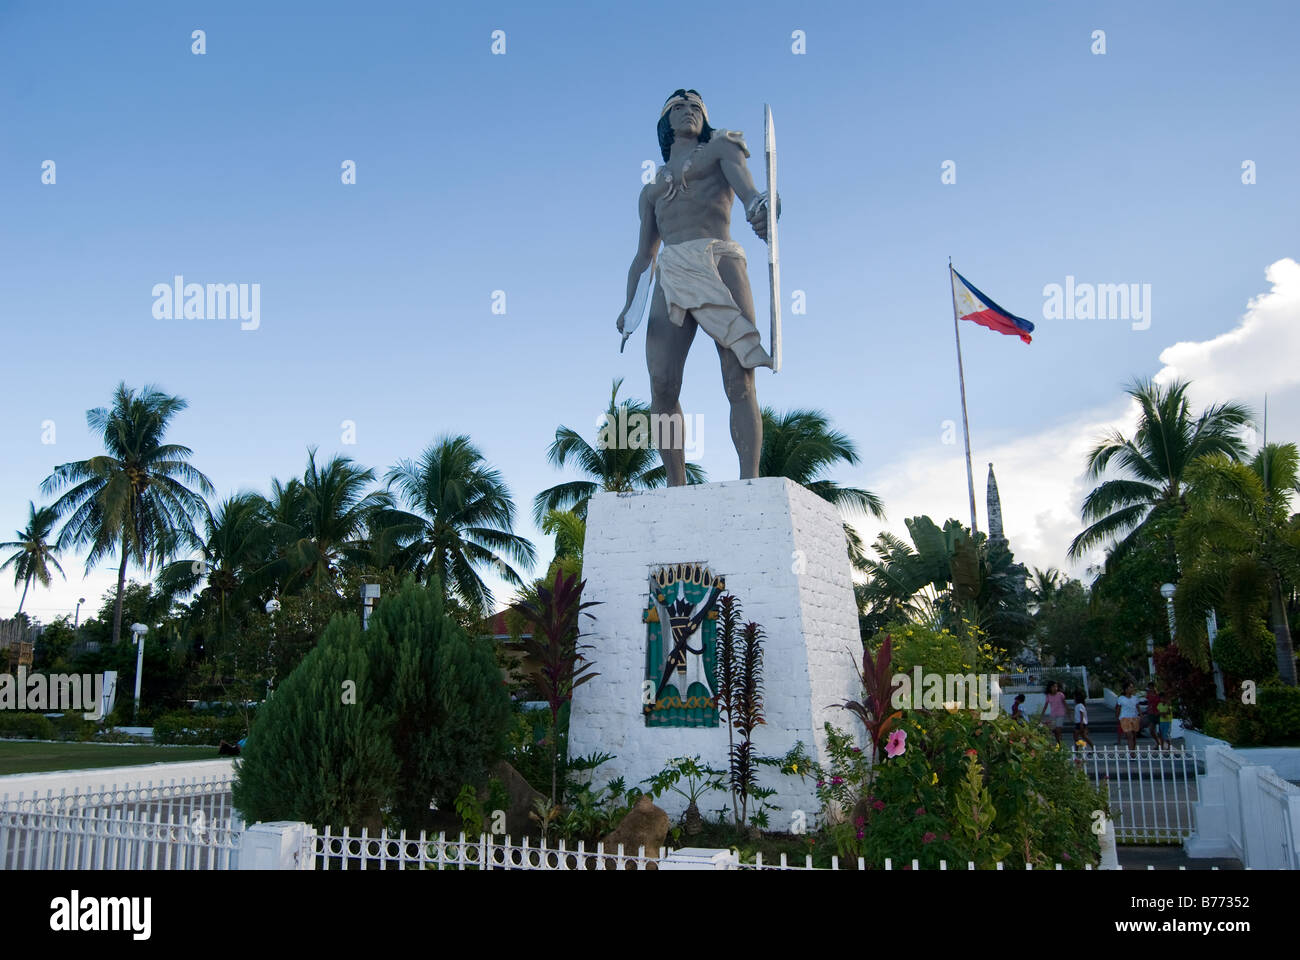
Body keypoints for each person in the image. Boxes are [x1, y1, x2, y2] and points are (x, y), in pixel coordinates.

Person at [616, 89, 777, 484]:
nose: (688, 111)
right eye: (679, 107)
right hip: (670, 271)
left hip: (719, 259)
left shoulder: (721, 148)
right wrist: (628, 307)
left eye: (696, 107)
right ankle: (677, 485)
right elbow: (644, 255)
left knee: (738, 374)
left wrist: (761, 208)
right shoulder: (651, 190)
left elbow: (750, 194)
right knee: (662, 384)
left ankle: (749, 481)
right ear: (666, 121)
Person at [1116, 683, 1142, 752]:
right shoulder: (1121, 698)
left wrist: (1141, 716)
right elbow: (1118, 709)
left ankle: (1133, 751)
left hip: (1134, 718)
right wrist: (1118, 718)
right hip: (1125, 719)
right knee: (1129, 736)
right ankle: (1131, 754)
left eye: (1132, 687)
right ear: (1126, 690)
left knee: (1134, 737)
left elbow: (1138, 707)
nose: (1132, 689)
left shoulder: (1135, 698)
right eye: (1130, 687)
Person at [1144, 684, 1166, 749]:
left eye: (1152, 688)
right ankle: (1158, 743)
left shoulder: (1158, 695)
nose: (1151, 689)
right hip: (1152, 714)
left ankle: (1162, 746)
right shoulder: (1148, 695)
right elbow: (1149, 703)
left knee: (1161, 731)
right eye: (1149, 688)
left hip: (1159, 713)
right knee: (1151, 730)